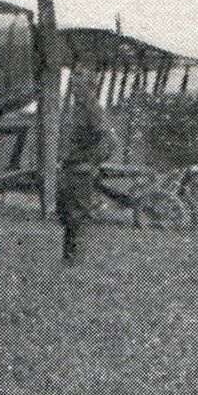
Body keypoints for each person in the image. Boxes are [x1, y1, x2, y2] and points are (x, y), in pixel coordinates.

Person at [57, 65, 116, 265]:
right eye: (73, 83)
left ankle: (75, 259)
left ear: (89, 85)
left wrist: (92, 162)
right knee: (66, 213)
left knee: (77, 214)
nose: (74, 88)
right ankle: (70, 257)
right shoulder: (79, 108)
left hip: (81, 169)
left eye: (79, 84)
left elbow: (107, 139)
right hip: (71, 167)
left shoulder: (92, 108)